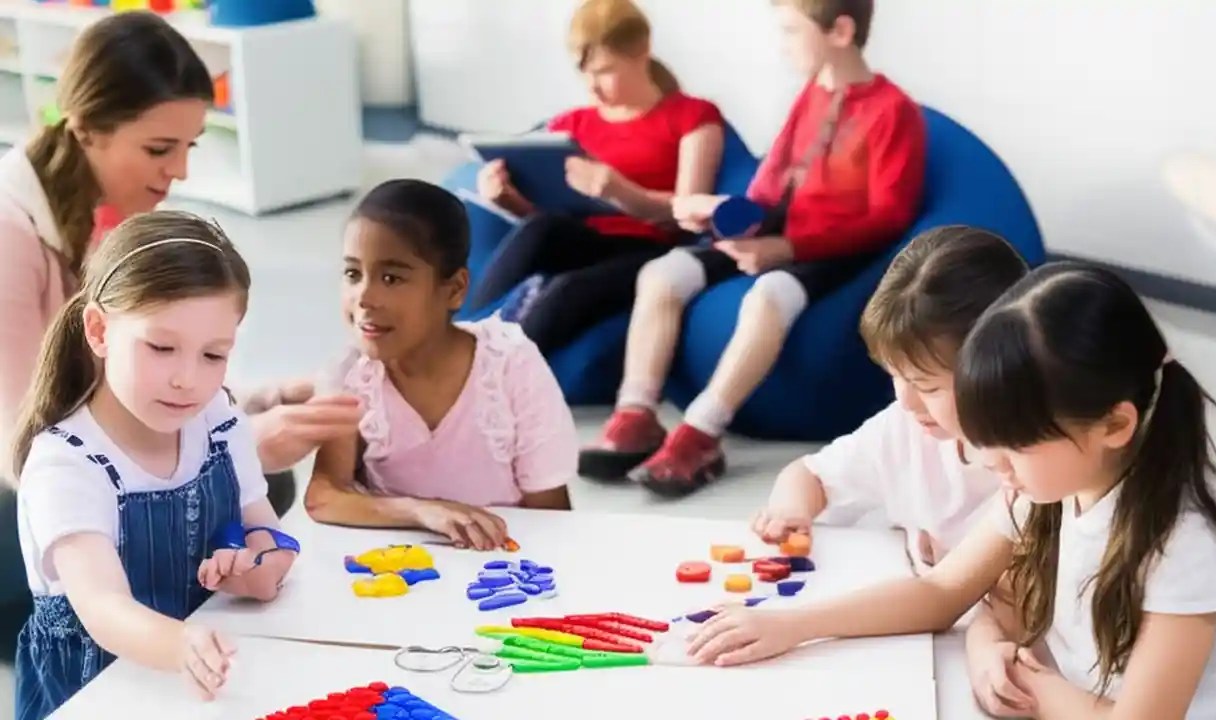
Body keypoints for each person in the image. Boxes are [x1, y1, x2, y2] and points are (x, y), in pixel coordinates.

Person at [686, 263, 1216, 719]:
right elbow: (945, 591)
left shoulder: (1185, 539)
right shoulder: (1046, 483)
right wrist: (792, 625)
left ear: (1115, 426)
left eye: (1014, 445)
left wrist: (1040, 689)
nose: (992, 464)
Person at [0, 11, 358, 661]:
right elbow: (24, 450)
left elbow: (145, 361)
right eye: (161, 149)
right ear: (86, 128)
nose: (181, 173)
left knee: (249, 480)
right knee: (235, 478)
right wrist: (239, 445)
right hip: (22, 481)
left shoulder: (103, 219)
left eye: (191, 146)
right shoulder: (10, 234)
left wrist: (250, 403)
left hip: (74, 462)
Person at [578, 0, 927, 496]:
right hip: (780, 234)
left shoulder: (894, 111)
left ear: (841, 31)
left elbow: (889, 217)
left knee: (769, 296)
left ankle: (701, 431)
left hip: (834, 250)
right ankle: (636, 412)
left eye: (790, 32)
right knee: (661, 274)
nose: (781, 46)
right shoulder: (809, 96)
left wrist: (787, 248)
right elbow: (767, 190)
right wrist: (720, 213)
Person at [12, 212, 298, 719]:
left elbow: (265, 529)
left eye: (213, 355)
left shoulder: (219, 417)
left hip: (205, 681)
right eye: (162, 348)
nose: (187, 379)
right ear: (99, 331)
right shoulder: (66, 463)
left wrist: (260, 569)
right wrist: (181, 645)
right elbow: (104, 608)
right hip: (96, 692)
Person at [305, 180, 578, 550]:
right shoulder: (350, 375)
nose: (365, 297)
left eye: (391, 278)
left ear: (454, 289)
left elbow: (553, 516)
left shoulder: (510, 363)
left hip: (502, 568)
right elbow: (324, 496)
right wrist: (422, 512)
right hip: (403, 573)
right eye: (353, 274)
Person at [752, 227, 1025, 574]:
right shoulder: (905, 428)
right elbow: (811, 475)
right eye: (896, 376)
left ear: (998, 369)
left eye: (927, 386)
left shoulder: (1033, 469)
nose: (907, 401)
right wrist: (791, 510)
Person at [467, 0, 725, 355]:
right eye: (584, 72)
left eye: (604, 71)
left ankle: (491, 372)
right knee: (542, 228)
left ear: (642, 52)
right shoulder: (570, 126)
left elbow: (690, 213)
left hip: (649, 250)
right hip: (582, 239)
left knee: (569, 289)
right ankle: (454, 338)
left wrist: (621, 192)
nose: (593, 86)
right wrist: (507, 201)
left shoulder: (692, 116)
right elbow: (546, 214)